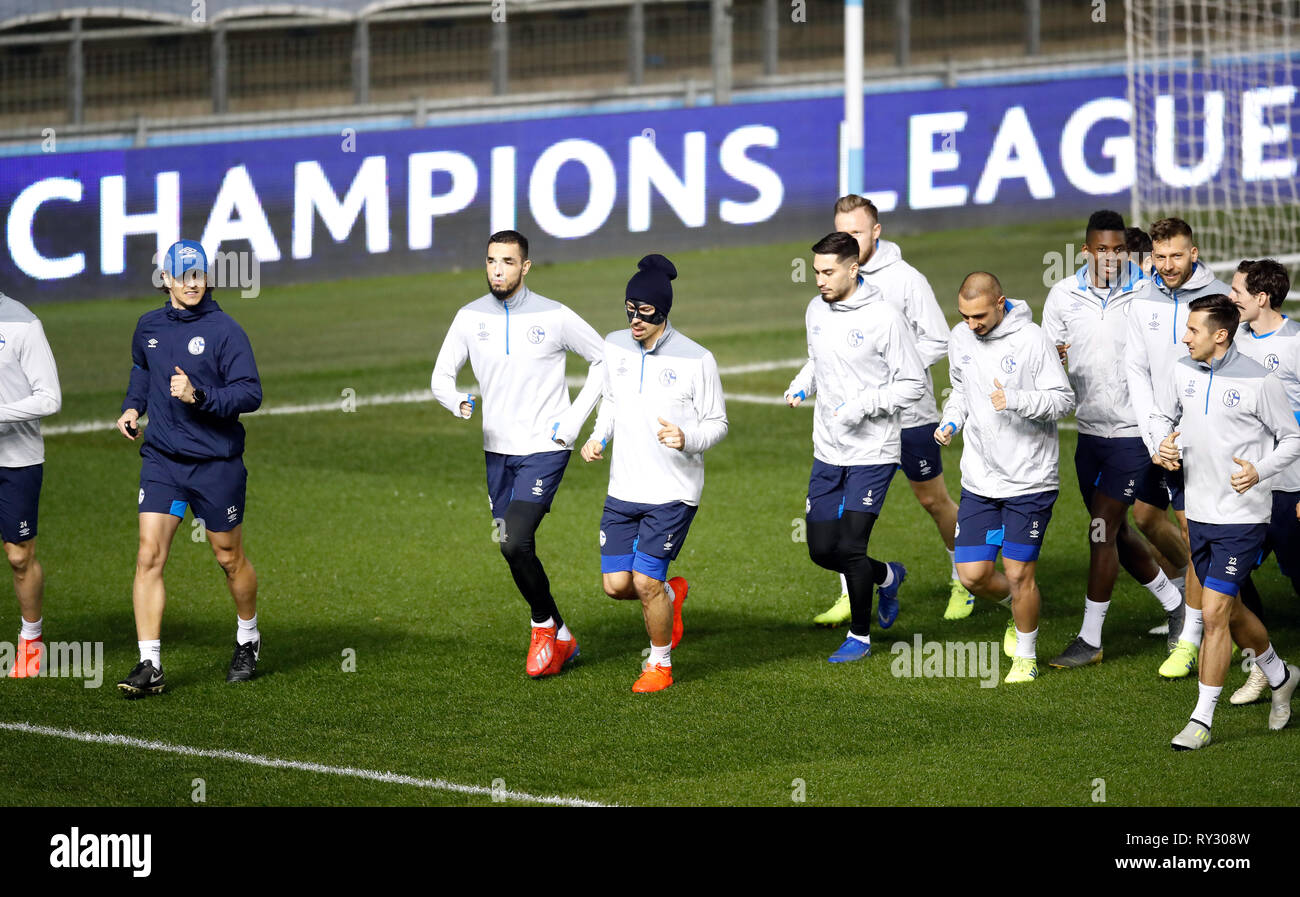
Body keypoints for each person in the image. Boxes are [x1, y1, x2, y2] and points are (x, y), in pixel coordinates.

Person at [432, 230, 604, 679]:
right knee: (510, 548)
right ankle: (561, 634)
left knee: (513, 539)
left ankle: (542, 627)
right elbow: (441, 376)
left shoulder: (555, 315)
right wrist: (456, 400)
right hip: (497, 452)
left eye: (508, 262)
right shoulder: (469, 317)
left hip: (546, 447)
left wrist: (574, 420)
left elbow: (605, 360)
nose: (497, 270)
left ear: (525, 267)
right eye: (492, 261)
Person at [1149, 294, 1300, 749]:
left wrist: (1260, 470)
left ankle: (1201, 720)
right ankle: (1281, 674)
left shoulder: (1259, 381)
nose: (1184, 337)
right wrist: (1161, 444)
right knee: (1230, 609)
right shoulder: (1181, 369)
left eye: (1193, 330)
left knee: (1213, 613)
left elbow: (1292, 438)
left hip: (1242, 517)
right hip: (1198, 513)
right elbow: (1161, 416)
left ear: (1220, 335)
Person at [115, 240, 263, 696]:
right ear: (166, 280)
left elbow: (250, 393)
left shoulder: (225, 331)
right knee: (149, 555)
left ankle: (248, 637)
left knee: (228, 557)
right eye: (182, 276)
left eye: (198, 275)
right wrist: (133, 407)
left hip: (215, 464)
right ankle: (150, 664)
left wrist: (198, 395)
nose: (192, 284)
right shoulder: (149, 326)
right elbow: (143, 369)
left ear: (207, 276)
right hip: (163, 460)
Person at [812, 196, 967, 626]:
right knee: (843, 512)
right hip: (857, 426)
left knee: (933, 499)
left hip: (911, 417)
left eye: (856, 232)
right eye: (842, 231)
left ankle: (963, 580)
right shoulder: (833, 280)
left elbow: (939, 339)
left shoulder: (906, 280)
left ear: (876, 231)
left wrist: (890, 370)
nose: (848, 239)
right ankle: (852, 590)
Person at [1040, 210, 1185, 669]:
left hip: (1133, 435)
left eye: (1118, 250)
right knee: (1116, 532)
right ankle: (1177, 605)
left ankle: (1090, 639)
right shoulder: (1062, 296)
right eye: (1101, 249)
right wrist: (1054, 362)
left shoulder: (1147, 293)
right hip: (1089, 435)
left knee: (1100, 529)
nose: (1110, 258)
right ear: (1086, 251)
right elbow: (1046, 362)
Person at [580, 255, 727, 693]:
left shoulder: (698, 359)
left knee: (646, 582)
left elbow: (718, 422)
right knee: (616, 585)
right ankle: (670, 595)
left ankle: (659, 664)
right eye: (630, 309)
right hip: (623, 488)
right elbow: (611, 399)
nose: (635, 320)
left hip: (672, 491)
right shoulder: (615, 345)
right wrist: (598, 437)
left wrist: (687, 437)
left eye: (645, 312)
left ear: (663, 310)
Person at [785, 232, 925, 663]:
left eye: (828, 272)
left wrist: (862, 406)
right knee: (821, 549)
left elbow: (913, 384)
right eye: (816, 272)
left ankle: (859, 637)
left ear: (853, 268)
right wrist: (802, 384)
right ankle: (888, 577)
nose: (819, 281)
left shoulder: (885, 318)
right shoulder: (816, 309)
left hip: (873, 451)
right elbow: (818, 359)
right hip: (828, 449)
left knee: (849, 547)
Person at [935, 272, 1075, 684]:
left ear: (1000, 304)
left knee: (1018, 573)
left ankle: (1026, 657)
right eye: (964, 316)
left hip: (1029, 480)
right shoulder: (960, 338)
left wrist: (1015, 399)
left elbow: (1063, 400)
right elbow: (960, 391)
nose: (971, 324)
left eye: (979, 316)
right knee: (972, 575)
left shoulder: (1032, 339)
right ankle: (1019, 608)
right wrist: (950, 421)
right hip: (980, 479)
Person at [1126, 217, 1232, 679]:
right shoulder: (1140, 299)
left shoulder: (1220, 299)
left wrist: (1182, 437)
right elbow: (1136, 371)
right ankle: (1196, 603)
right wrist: (1156, 438)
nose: (1167, 265)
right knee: (1146, 517)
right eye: (1160, 256)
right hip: (1157, 433)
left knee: (1195, 533)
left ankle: (1192, 634)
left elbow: (1226, 374)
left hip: (1201, 437)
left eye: (1176, 256)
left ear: (1194, 253)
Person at [1227, 259, 1300, 705]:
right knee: (1230, 578)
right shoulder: (1233, 340)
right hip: (1248, 486)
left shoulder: (1295, 343)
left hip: (1291, 486)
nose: (1230, 297)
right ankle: (1262, 665)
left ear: (1261, 297)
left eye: (1237, 291)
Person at [0, 290, 62, 678]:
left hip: (16, 460)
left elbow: (50, 399)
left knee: (19, 556)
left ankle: (30, 642)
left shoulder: (23, 323)